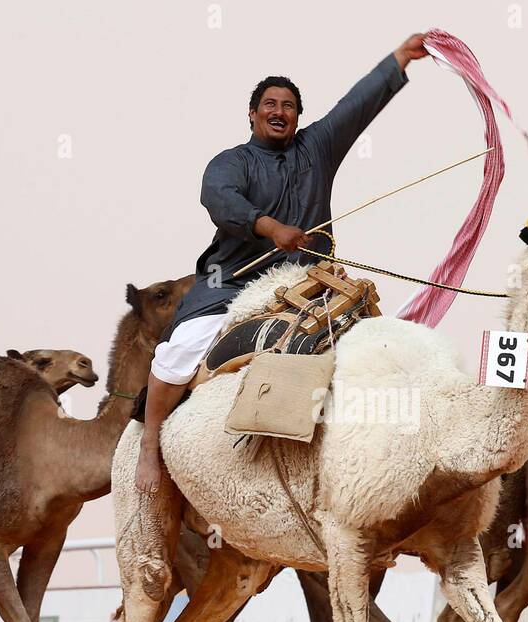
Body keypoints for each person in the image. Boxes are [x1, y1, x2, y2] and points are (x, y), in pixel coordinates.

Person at [135, 34, 429, 493]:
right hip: (233, 283)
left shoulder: (319, 148)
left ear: (298, 116)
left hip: (312, 282)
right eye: (269, 103)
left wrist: (400, 59)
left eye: (289, 105)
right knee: (182, 351)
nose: (279, 111)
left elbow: (356, 105)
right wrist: (272, 229)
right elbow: (219, 198)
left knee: (377, 349)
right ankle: (150, 447)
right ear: (252, 114)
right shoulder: (230, 162)